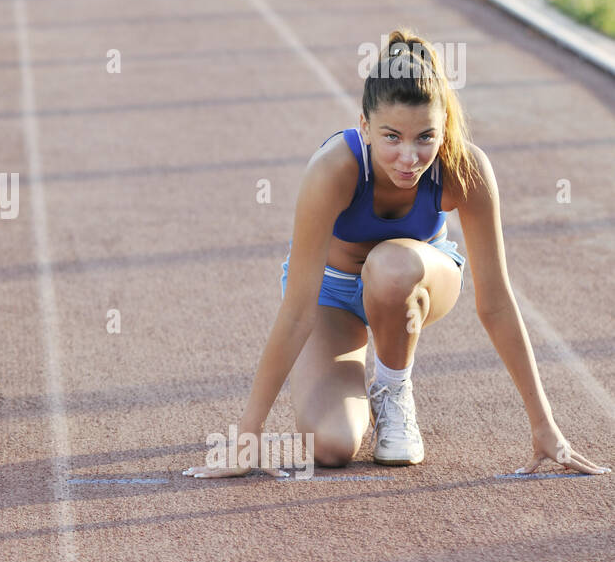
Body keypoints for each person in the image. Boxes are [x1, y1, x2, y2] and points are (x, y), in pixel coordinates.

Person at [185, 29, 609, 478]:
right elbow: (296, 310)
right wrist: (249, 434)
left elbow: (497, 302)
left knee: (389, 265)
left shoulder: (466, 169)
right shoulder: (333, 170)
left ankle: (393, 390)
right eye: (392, 137)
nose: (409, 157)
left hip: (413, 280)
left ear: (444, 127)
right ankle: (354, 394)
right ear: (364, 126)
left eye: (425, 137)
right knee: (330, 447)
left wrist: (544, 426)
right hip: (332, 299)